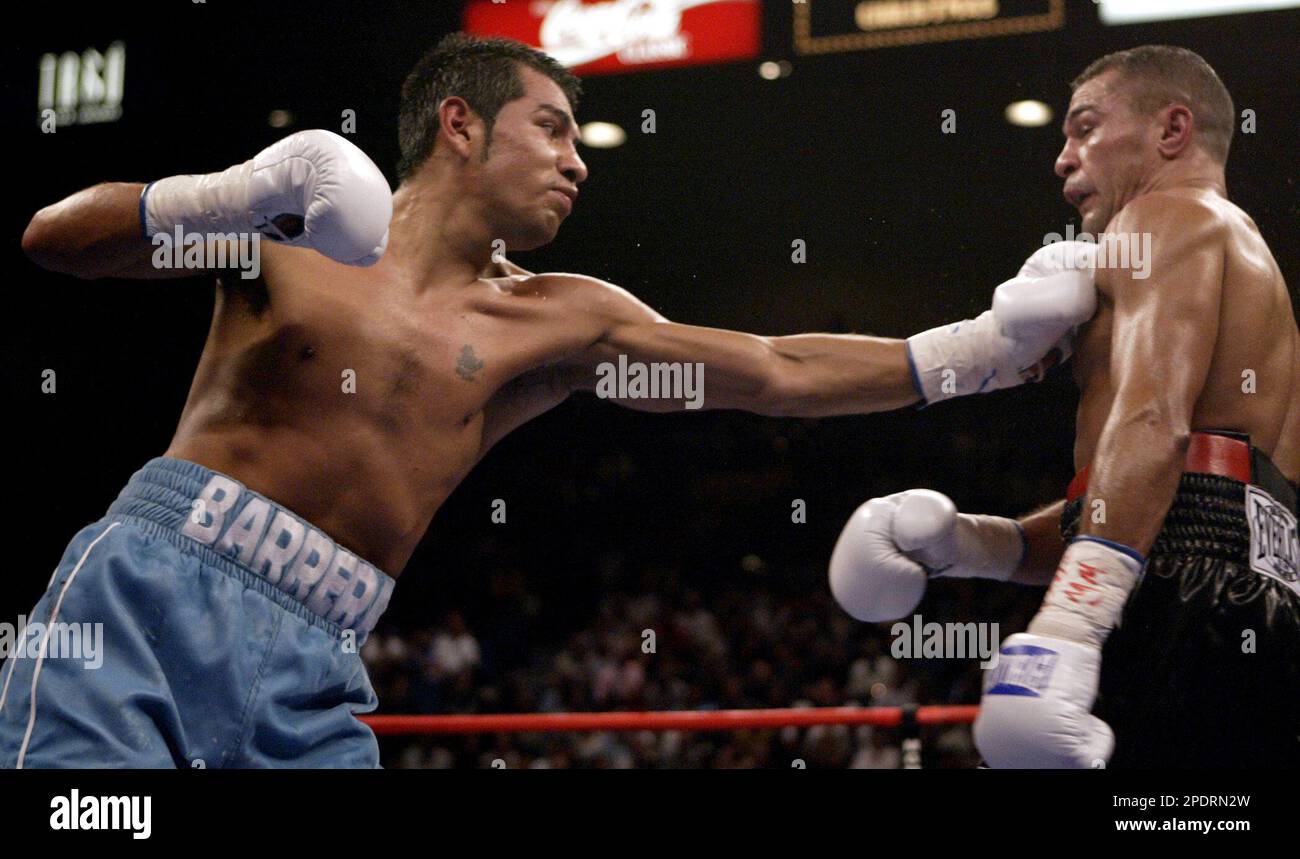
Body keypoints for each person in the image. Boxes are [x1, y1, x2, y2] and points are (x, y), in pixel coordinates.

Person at [3, 34, 1092, 768]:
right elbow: (58, 241)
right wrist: (236, 193)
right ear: (458, 126)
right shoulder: (286, 229)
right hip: (148, 596)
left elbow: (772, 369)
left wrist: (975, 351)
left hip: (315, 656)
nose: (578, 160)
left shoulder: (560, 321)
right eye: (554, 128)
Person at [831, 45, 1299, 768]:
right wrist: (976, 544)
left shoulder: (1164, 217)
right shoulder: (1241, 260)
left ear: (1172, 131)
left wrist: (1072, 621)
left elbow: (1155, 425)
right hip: (1240, 595)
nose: (1062, 159)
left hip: (1181, 600)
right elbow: (1196, 500)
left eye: (1084, 129)